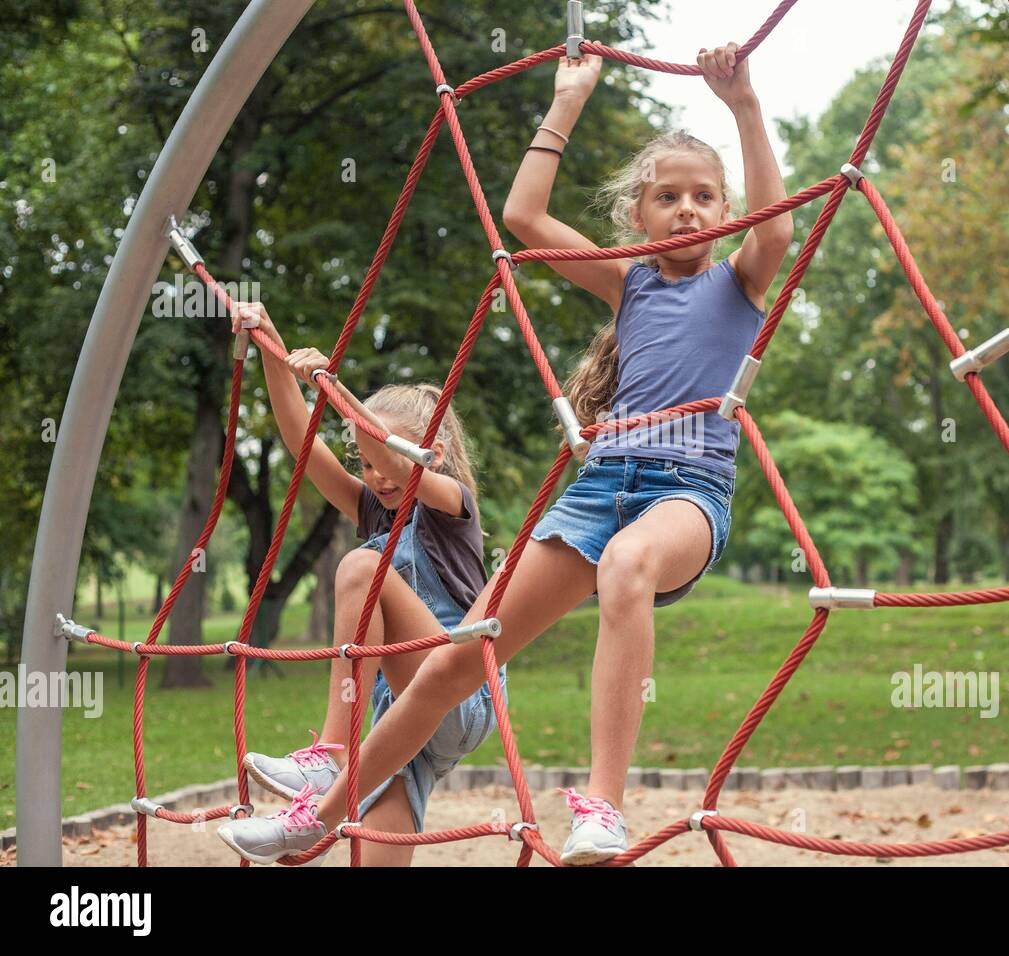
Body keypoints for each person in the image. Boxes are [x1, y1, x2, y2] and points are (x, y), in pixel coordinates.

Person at [217, 39, 791, 866]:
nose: (690, 211)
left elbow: (779, 226)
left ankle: (603, 805)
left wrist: (741, 103)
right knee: (462, 656)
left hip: (686, 492)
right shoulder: (629, 282)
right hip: (600, 486)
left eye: (706, 197)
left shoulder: (738, 282)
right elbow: (522, 219)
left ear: (725, 207)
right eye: (668, 197)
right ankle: (324, 813)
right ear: (639, 214)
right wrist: (567, 100)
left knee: (628, 564)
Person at [214, 302, 505, 866]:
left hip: (462, 690)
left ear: (432, 454)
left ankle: (331, 751)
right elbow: (304, 444)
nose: (373, 477)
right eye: (363, 464)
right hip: (403, 713)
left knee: (360, 567)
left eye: (382, 463)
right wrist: (274, 350)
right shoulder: (375, 509)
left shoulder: (451, 507)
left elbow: (408, 472)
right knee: (378, 828)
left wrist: (335, 389)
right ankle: (344, 764)